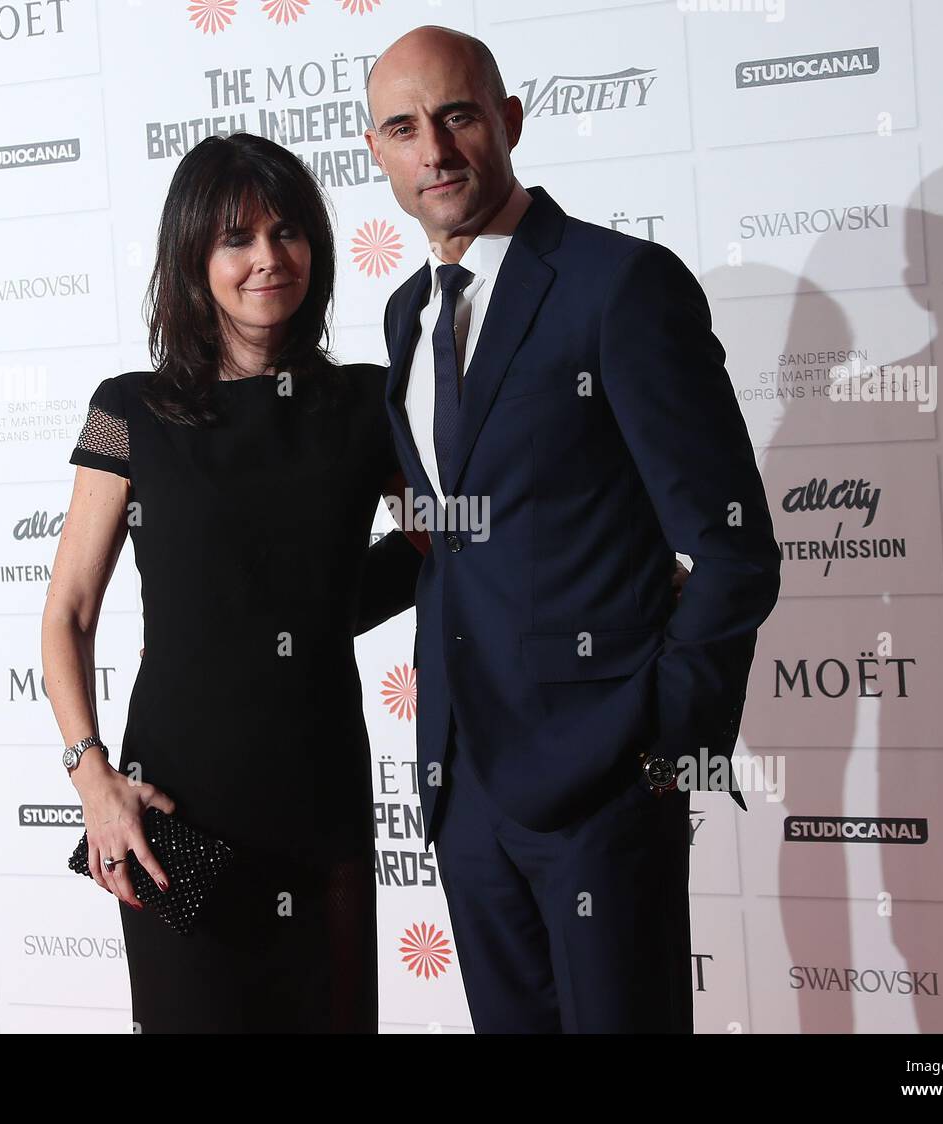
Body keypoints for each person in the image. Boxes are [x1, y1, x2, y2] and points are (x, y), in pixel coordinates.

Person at [362, 26, 782, 1033]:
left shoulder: (617, 284)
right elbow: (452, 536)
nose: (435, 149)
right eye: (403, 126)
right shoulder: (403, 318)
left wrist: (660, 745)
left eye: (458, 115)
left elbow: (731, 546)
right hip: (462, 780)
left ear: (507, 120)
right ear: (374, 150)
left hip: (603, 784)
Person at [39, 132, 422, 1033]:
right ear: (193, 258)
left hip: (317, 792)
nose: (266, 260)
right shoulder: (131, 410)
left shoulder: (367, 402)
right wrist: (92, 776)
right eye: (236, 240)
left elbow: (441, 547)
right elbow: (69, 611)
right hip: (172, 803)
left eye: (287, 233)